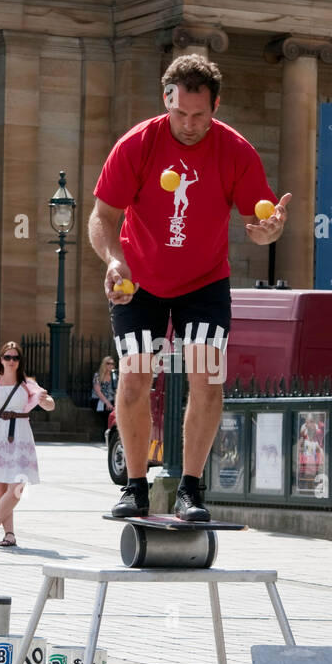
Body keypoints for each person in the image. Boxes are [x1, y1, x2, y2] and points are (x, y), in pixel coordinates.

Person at [88, 52, 289, 521]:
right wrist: (113, 259)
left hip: (204, 282)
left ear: (215, 105)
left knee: (207, 379)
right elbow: (102, 216)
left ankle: (191, 491)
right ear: (166, 100)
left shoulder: (235, 150)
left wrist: (269, 231)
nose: (189, 124)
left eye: (200, 115)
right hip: (138, 279)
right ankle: (135, 488)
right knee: (136, 376)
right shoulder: (137, 144)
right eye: (180, 113)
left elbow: (260, 218)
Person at [0, 340, 55, 547]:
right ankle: (9, 534)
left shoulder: (27, 384)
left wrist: (44, 401)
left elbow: (50, 404)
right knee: (0, 489)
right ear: (1, 359)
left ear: (20, 361)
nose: (12, 361)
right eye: (8, 357)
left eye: (16, 357)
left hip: (21, 435)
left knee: (17, 488)